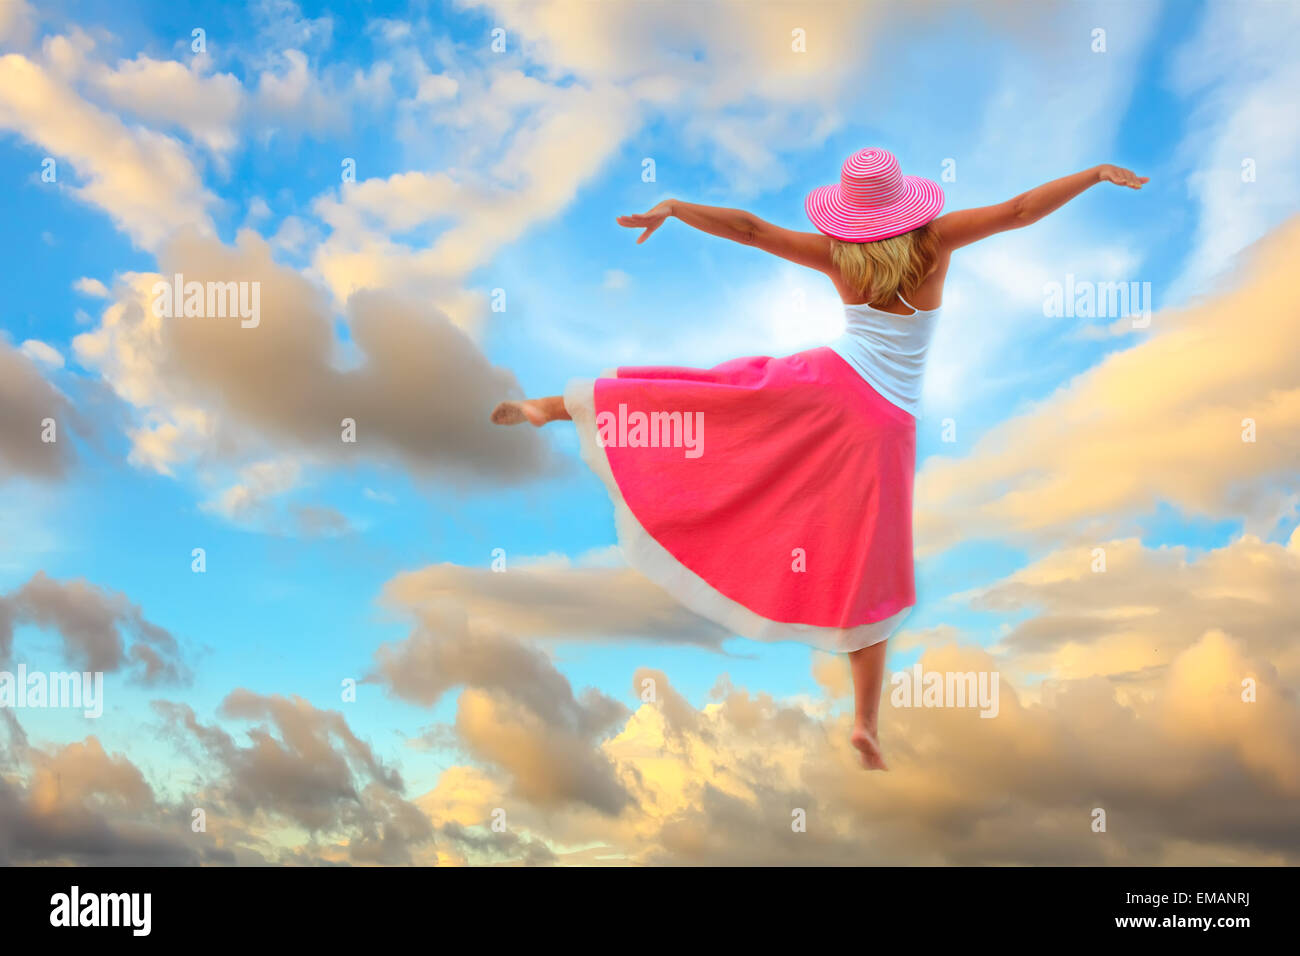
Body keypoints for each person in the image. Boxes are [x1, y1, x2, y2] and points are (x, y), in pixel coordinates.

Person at [492, 147, 1147, 770]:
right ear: (905, 205)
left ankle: (562, 405)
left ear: (850, 213)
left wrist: (675, 207)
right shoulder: (935, 242)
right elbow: (1019, 212)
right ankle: (864, 720)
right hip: (884, 424)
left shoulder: (838, 255)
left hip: (825, 383)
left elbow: (750, 229)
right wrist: (1091, 175)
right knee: (871, 566)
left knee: (720, 400)